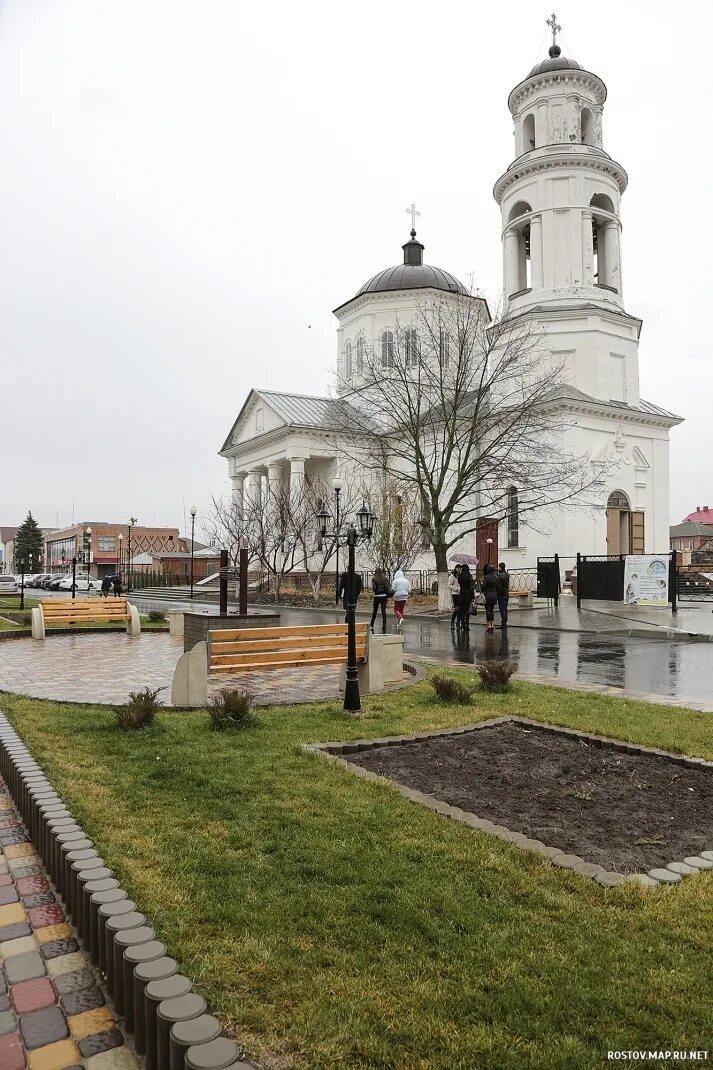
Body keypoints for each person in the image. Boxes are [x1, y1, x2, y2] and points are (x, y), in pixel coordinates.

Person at [370, 567, 391, 634]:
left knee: (375, 611)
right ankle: (384, 626)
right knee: (383, 611)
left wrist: (377, 591)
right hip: (384, 596)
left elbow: (374, 588)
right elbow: (388, 587)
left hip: (377, 596)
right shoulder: (385, 578)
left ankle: (372, 624)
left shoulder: (374, 579)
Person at [481, 563, 499, 632]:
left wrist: (482, 591)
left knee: (488, 610)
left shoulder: (486, 577)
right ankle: (492, 624)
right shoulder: (496, 577)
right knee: (492, 610)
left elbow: (483, 586)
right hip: (494, 595)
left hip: (487, 595)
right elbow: (498, 587)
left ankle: (488, 625)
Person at [457, 563, 475, 630]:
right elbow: (472, 587)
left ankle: (462, 623)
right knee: (468, 609)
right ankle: (467, 624)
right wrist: (473, 597)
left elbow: (459, 583)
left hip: (462, 593)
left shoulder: (460, 576)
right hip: (468, 594)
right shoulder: (469, 576)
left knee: (462, 609)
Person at [497, 562, 510, 628]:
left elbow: (498, 586)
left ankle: (503, 623)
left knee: (502, 609)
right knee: (505, 608)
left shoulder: (498, 576)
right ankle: (505, 622)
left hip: (501, 594)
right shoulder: (507, 574)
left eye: (498, 567)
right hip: (506, 593)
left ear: (500, 567)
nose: (498, 568)